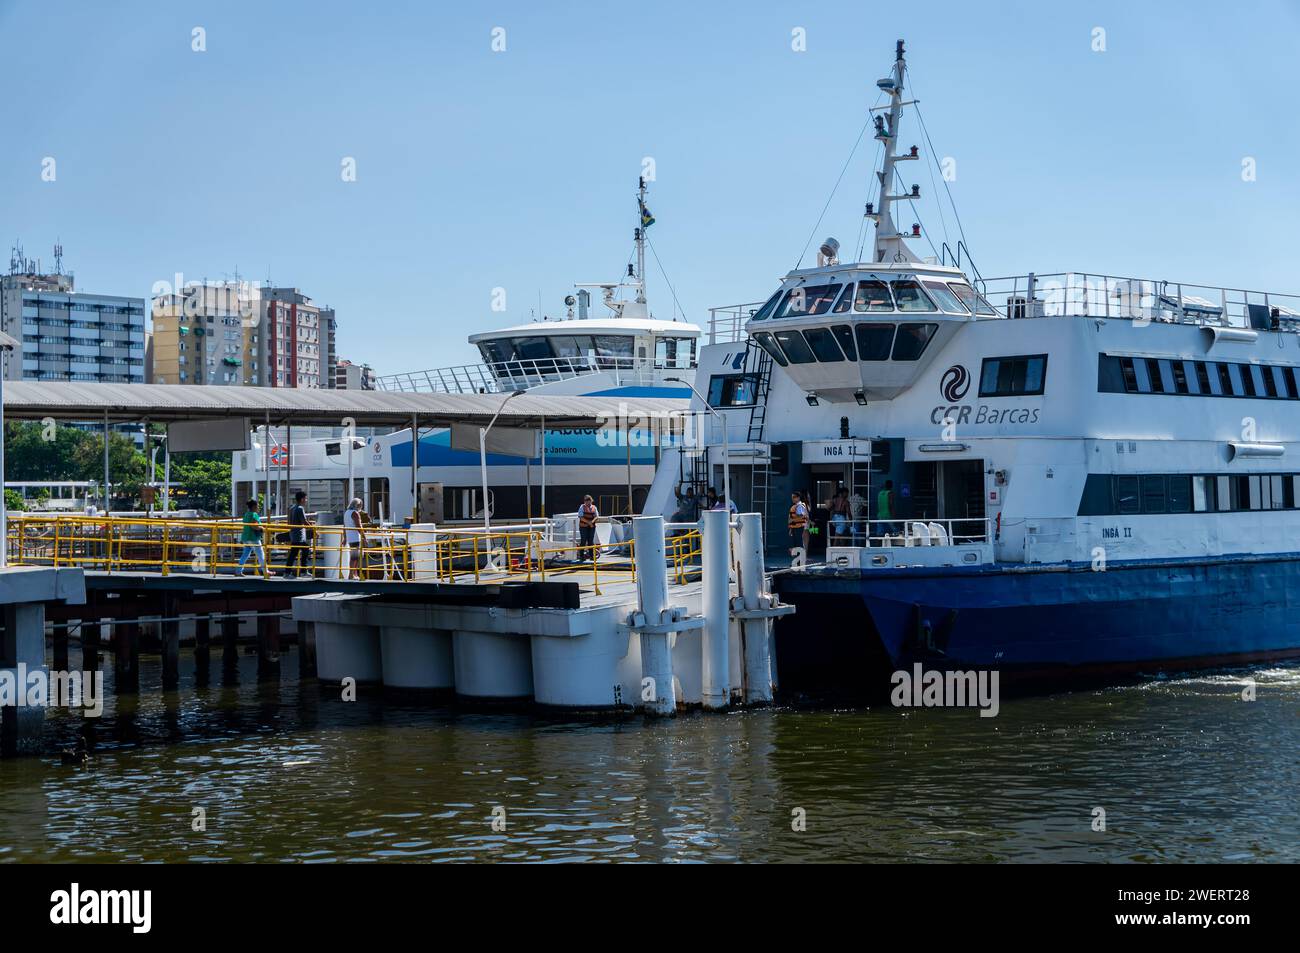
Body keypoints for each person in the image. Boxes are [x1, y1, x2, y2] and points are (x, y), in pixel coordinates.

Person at [284, 490, 314, 577]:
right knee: (300, 551)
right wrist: (313, 529)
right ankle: (297, 572)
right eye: (305, 498)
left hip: (293, 534)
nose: (306, 500)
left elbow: (289, 522)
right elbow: (304, 521)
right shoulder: (300, 508)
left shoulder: (292, 508)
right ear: (301, 499)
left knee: (299, 552)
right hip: (299, 535)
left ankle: (299, 571)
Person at [238, 499, 266, 576]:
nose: (258, 508)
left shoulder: (246, 514)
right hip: (253, 538)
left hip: (246, 538)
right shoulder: (254, 514)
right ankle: (266, 572)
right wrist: (262, 528)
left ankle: (238, 571)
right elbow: (254, 526)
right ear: (254, 507)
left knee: (245, 554)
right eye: (258, 506)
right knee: (261, 554)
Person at [343, 497, 364, 579]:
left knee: (356, 556)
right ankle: (351, 574)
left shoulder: (346, 513)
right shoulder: (355, 513)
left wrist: (345, 538)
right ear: (357, 505)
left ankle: (354, 574)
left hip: (350, 537)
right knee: (355, 557)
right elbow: (359, 526)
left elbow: (344, 526)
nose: (360, 508)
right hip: (355, 537)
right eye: (360, 505)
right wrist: (364, 538)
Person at [577, 494, 599, 562]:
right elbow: (580, 517)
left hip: (591, 527)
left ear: (591, 501)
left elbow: (596, 516)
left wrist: (591, 522)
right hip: (583, 527)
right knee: (583, 541)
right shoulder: (582, 507)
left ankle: (591, 556)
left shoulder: (594, 507)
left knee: (590, 541)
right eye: (585, 500)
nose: (587, 502)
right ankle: (581, 556)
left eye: (588, 500)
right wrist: (589, 523)